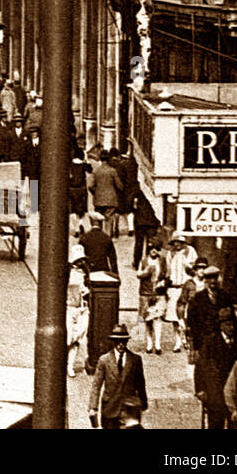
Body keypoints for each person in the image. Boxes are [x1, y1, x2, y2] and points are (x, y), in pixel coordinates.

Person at [89, 324, 148, 428]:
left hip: (129, 408)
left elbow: (140, 384)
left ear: (127, 341)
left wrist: (143, 403)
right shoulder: (104, 360)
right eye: (117, 341)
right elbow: (96, 385)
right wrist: (93, 407)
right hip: (110, 408)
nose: (120, 345)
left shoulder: (135, 359)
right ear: (113, 342)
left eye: (123, 341)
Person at [196, 308, 237, 429]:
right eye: (228, 324)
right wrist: (200, 389)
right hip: (215, 393)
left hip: (234, 394)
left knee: (234, 424)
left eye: (233, 324)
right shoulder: (210, 342)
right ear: (221, 326)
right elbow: (200, 367)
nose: (232, 327)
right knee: (215, 423)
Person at [188, 266, 237, 365]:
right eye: (210, 278)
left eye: (215, 278)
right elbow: (192, 323)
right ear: (205, 281)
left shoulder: (225, 296)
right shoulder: (198, 298)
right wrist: (195, 346)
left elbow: (233, 319)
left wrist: (234, 338)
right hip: (205, 341)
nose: (213, 281)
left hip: (222, 341)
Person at [164, 235, 197, 353]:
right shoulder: (170, 254)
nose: (177, 245)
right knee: (174, 316)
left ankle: (187, 339)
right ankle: (177, 341)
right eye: (175, 243)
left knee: (187, 315)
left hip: (186, 287)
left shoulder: (190, 251)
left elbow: (193, 268)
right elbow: (168, 270)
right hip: (174, 287)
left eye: (179, 242)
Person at [137, 244, 167, 354]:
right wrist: (147, 271)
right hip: (145, 293)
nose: (154, 251)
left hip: (159, 293)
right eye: (151, 249)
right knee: (147, 319)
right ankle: (149, 344)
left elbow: (166, 274)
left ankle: (158, 344)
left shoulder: (162, 260)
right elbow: (139, 274)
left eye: (156, 248)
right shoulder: (144, 261)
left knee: (158, 318)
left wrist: (163, 282)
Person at [67, 247, 91, 378]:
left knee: (77, 339)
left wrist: (86, 291)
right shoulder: (68, 273)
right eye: (78, 261)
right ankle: (63, 362)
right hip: (70, 308)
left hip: (82, 310)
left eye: (82, 260)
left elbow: (88, 290)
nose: (81, 263)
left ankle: (70, 365)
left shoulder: (85, 274)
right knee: (68, 338)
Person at [87, 150, 122, 236]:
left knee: (99, 219)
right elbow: (119, 185)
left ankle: (100, 236)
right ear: (108, 159)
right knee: (108, 219)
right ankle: (107, 237)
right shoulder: (112, 171)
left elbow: (90, 185)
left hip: (98, 199)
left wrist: (96, 192)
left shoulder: (96, 171)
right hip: (111, 199)